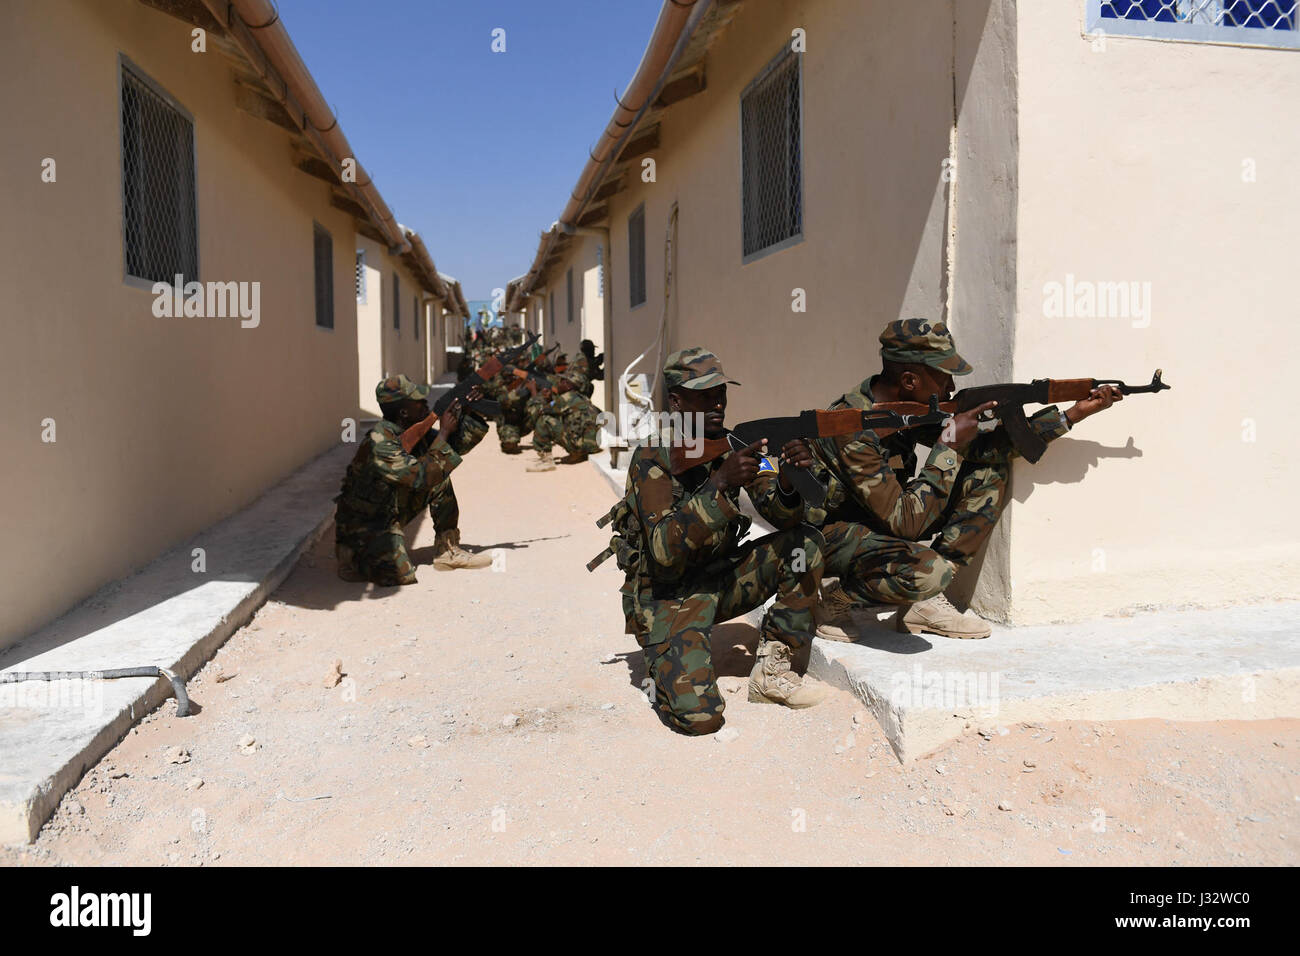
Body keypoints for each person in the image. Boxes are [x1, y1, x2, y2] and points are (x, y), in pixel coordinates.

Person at [808, 319, 1124, 640]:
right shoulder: (850, 427)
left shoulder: (909, 409)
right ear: (909, 380)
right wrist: (947, 446)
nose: (950, 388)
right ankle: (837, 601)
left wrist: (1072, 414)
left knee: (988, 470)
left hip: (887, 523)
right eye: (944, 377)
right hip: (836, 538)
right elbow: (906, 525)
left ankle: (923, 601)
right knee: (925, 561)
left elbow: (986, 449)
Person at [599, 348, 829, 736]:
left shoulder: (736, 444)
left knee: (802, 545)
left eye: (721, 393)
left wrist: (788, 482)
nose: (717, 403)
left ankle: (773, 671)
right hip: (666, 599)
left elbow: (780, 512)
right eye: (704, 395)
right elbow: (661, 551)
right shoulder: (653, 458)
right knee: (701, 719)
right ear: (677, 401)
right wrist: (719, 484)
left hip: (718, 581)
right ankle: (667, 661)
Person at [334, 375, 492, 585]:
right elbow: (420, 477)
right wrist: (443, 431)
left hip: (387, 511)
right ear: (403, 412)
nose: (426, 404)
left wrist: (470, 411)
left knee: (439, 477)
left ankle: (447, 551)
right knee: (399, 575)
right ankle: (353, 557)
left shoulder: (411, 431)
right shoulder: (380, 443)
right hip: (364, 524)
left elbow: (450, 451)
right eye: (419, 401)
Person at [526, 368, 602, 471]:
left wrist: (534, 391)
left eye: (562, 381)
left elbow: (536, 411)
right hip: (594, 447)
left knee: (544, 420)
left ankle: (546, 461)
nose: (558, 383)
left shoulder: (565, 398)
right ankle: (579, 454)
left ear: (569, 385)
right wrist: (549, 399)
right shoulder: (584, 399)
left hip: (578, 446)